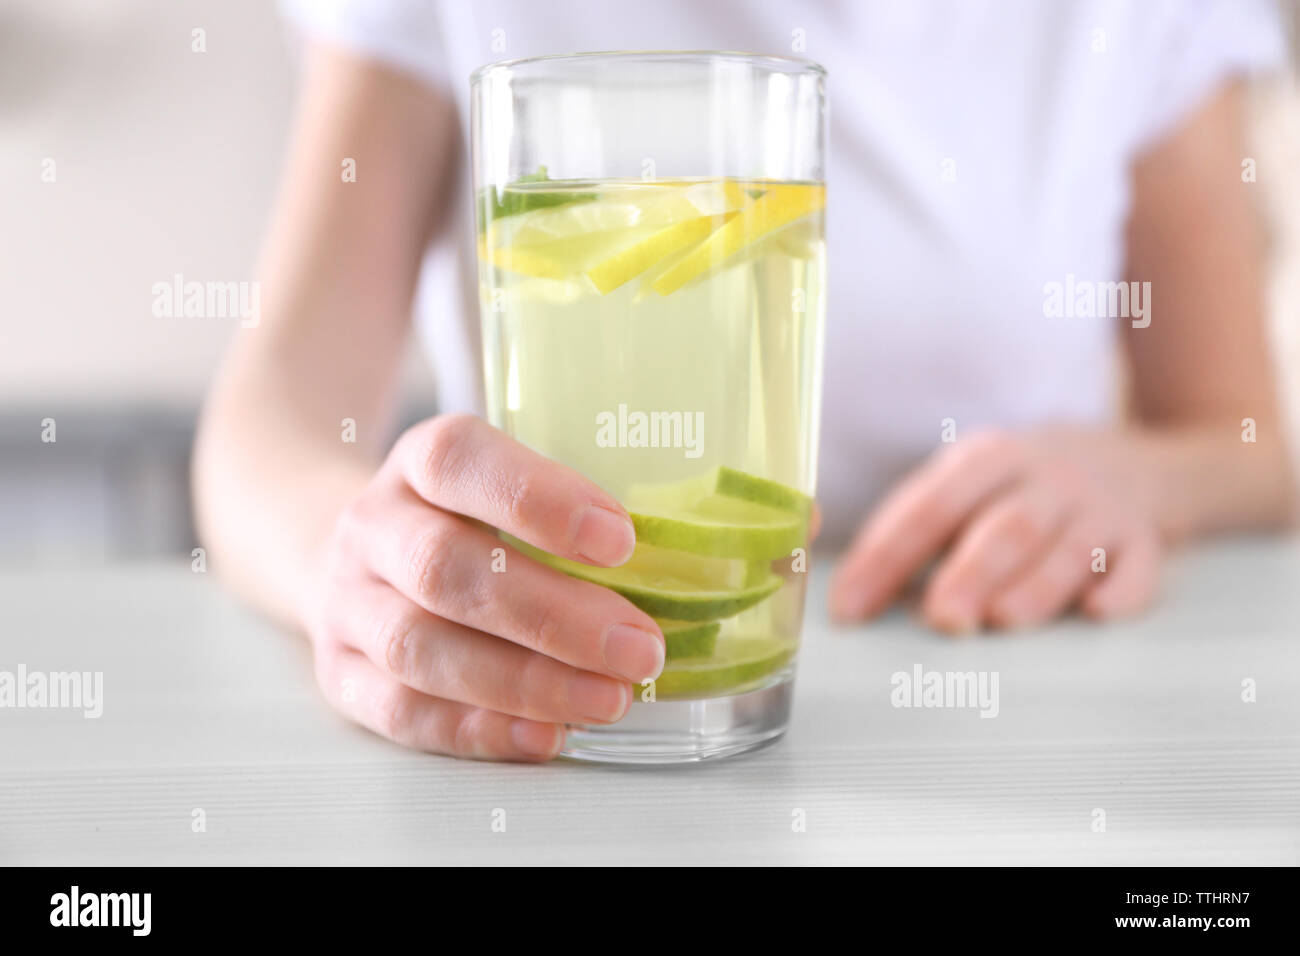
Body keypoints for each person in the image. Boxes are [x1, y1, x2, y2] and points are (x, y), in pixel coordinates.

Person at [194, 0, 1297, 761]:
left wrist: (1133, 484)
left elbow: (1247, 444)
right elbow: (267, 423)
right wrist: (354, 565)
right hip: (554, 714)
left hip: (1022, 704)